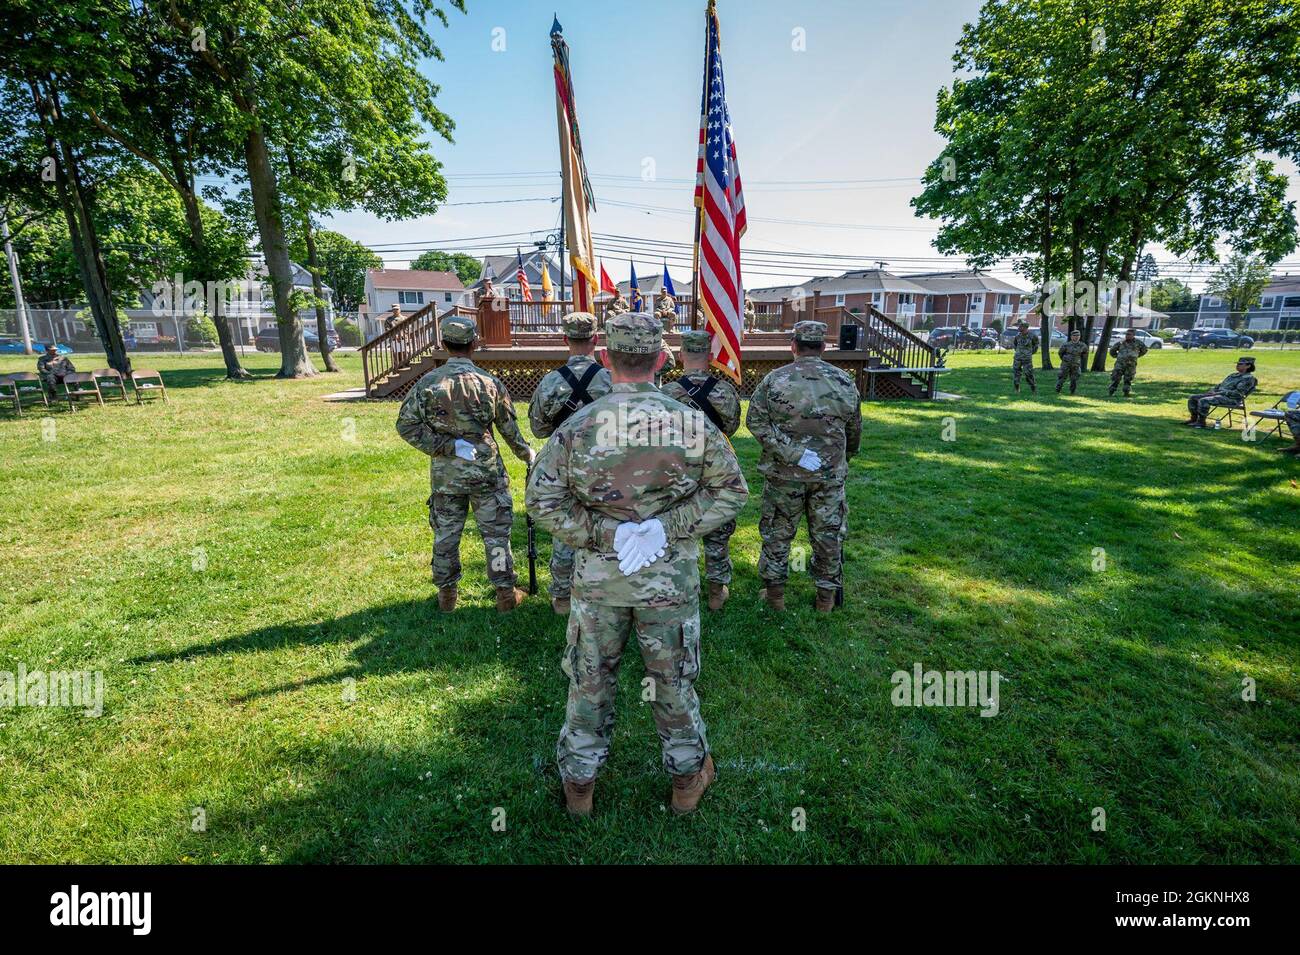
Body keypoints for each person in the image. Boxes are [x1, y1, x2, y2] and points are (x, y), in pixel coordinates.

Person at [526, 312, 748, 817]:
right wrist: (660, 530)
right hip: (667, 583)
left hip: (600, 584)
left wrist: (607, 533)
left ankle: (579, 784)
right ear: (662, 359)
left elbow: (542, 502)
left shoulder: (579, 425)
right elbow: (730, 491)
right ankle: (687, 780)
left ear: (605, 359)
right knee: (672, 682)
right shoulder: (690, 422)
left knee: (590, 679)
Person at [395, 313, 535, 613]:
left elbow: (407, 426)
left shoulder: (429, 383)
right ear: (474, 344)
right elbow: (508, 428)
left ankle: (447, 597)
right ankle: (505, 595)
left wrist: (445, 445)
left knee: (446, 535)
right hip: (486, 472)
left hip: (447, 475)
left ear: (444, 345)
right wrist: (526, 454)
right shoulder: (489, 382)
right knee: (496, 535)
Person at [746, 320, 861, 613]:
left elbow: (756, 422)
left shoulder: (775, 380)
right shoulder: (844, 381)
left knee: (778, 534)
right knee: (828, 535)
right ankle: (825, 600)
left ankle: (776, 598)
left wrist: (791, 452)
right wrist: (843, 458)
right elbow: (854, 428)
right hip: (828, 474)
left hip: (785, 474)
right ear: (823, 347)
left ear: (793, 346)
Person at [526, 312, 612, 615]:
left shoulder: (551, 382)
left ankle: (562, 596)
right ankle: (602, 590)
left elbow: (538, 428)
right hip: (606, 464)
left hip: (564, 463)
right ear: (595, 340)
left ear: (565, 339)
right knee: (606, 523)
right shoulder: (611, 380)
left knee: (566, 526)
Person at [660, 330, 742, 611]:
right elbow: (730, 428)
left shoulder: (667, 393)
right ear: (709, 356)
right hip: (714, 468)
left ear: (681, 356)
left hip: (678, 469)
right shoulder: (724, 391)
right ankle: (717, 592)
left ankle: (676, 587)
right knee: (717, 527)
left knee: (678, 526)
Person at [1183, 356, 1258, 428]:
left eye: (1240, 364)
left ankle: (1201, 422)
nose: (1237, 365)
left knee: (1204, 400)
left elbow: (1238, 394)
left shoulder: (1248, 379)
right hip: (1219, 395)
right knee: (1193, 398)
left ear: (1248, 366)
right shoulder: (1233, 375)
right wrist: (1213, 390)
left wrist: (1218, 393)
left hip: (1232, 399)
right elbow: (1220, 385)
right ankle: (1194, 419)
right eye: (1237, 364)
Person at [1108, 328, 1149, 396]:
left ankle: (1126, 392)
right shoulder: (1121, 343)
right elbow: (1112, 350)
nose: (1127, 336)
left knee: (1128, 379)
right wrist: (1117, 356)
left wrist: (1136, 356)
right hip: (1120, 364)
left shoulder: (1138, 343)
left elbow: (1144, 350)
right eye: (1126, 334)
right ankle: (1111, 392)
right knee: (1116, 378)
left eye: (1129, 334)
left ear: (1133, 335)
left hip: (1131, 364)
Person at [1010, 320, 1038, 393]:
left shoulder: (1032, 336)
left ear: (1025, 327)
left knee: (1029, 374)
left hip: (1027, 359)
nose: (1018, 327)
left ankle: (1033, 390)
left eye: (1020, 326)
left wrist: (1029, 353)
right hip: (1017, 358)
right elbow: (1015, 345)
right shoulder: (1017, 336)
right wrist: (1018, 352)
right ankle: (1017, 390)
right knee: (1016, 374)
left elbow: (1036, 345)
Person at [1056, 329, 1087, 394]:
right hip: (1066, 364)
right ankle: (1058, 389)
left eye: (1078, 335)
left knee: (1074, 379)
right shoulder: (1066, 345)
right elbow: (1060, 353)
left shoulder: (1083, 345)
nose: (1076, 337)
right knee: (1062, 377)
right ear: (1071, 337)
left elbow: (1084, 354)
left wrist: (1078, 360)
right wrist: (1065, 359)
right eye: (1075, 335)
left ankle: (1072, 391)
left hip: (1076, 364)